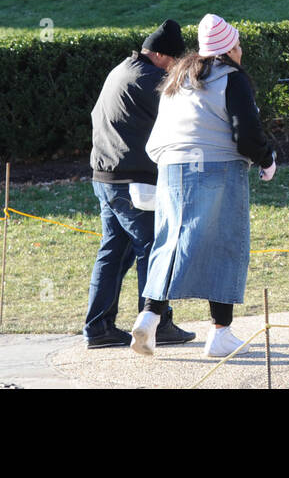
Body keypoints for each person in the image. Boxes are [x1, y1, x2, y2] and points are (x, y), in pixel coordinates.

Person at [130, 14, 278, 359]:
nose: (241, 51)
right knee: (225, 243)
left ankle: (149, 317)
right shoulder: (232, 79)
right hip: (216, 166)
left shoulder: (178, 77)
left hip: (170, 167)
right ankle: (220, 332)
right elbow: (246, 134)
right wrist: (267, 160)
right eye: (238, 45)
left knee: (170, 239)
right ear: (228, 49)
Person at [84, 19, 195, 348]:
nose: (175, 67)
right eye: (174, 60)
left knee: (113, 252)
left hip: (104, 176)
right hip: (134, 182)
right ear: (160, 55)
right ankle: (157, 323)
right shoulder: (152, 80)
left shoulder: (122, 69)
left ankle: (99, 327)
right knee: (154, 249)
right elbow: (183, 118)